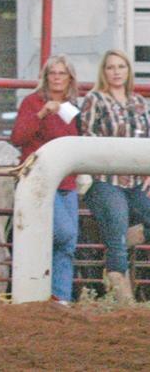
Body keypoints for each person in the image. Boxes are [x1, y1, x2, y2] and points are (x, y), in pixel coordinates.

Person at [78, 49, 150, 304]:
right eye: (111, 67)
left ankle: (115, 249)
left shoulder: (139, 102)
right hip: (106, 180)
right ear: (104, 72)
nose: (116, 71)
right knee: (116, 222)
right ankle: (122, 298)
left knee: (126, 230)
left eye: (121, 66)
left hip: (136, 181)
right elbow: (87, 135)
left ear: (128, 71)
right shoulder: (94, 99)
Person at [10, 55, 80, 305]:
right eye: (53, 73)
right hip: (40, 182)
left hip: (66, 182)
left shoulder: (73, 107)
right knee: (65, 234)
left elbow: (79, 141)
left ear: (69, 78)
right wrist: (40, 113)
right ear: (46, 77)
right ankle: (54, 295)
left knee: (67, 242)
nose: (57, 77)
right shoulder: (32, 103)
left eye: (62, 73)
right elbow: (18, 136)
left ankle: (60, 298)